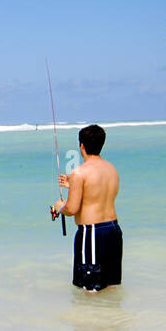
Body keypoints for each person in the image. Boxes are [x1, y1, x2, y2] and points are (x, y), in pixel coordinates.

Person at [52, 124, 122, 292]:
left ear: (82, 146)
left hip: (92, 233)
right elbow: (97, 194)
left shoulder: (79, 173)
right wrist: (74, 186)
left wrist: (60, 207)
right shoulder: (111, 169)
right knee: (109, 285)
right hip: (113, 230)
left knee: (90, 288)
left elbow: (72, 209)